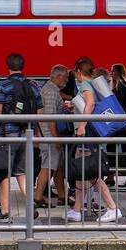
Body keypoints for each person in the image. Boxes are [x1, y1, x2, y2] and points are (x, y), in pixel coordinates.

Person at [0, 52, 43, 223]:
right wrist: (37, 133)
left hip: (9, 133)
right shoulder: (33, 86)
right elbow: (39, 112)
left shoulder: (3, 86)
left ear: (8, 66)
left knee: (3, 170)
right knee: (21, 172)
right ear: (22, 66)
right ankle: (30, 203)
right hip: (27, 133)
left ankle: (5, 210)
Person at [67, 57, 122, 222]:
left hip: (87, 133)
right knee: (81, 170)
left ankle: (112, 207)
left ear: (78, 71)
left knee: (90, 172)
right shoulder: (94, 84)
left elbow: (90, 104)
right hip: (90, 132)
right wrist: (73, 105)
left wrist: (82, 125)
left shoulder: (85, 84)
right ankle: (77, 210)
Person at [33, 64, 70, 209]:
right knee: (47, 166)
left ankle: (62, 196)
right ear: (59, 76)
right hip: (49, 136)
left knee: (58, 166)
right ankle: (38, 197)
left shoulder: (51, 90)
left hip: (47, 134)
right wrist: (56, 139)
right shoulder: (50, 92)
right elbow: (50, 119)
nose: (66, 81)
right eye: (66, 77)